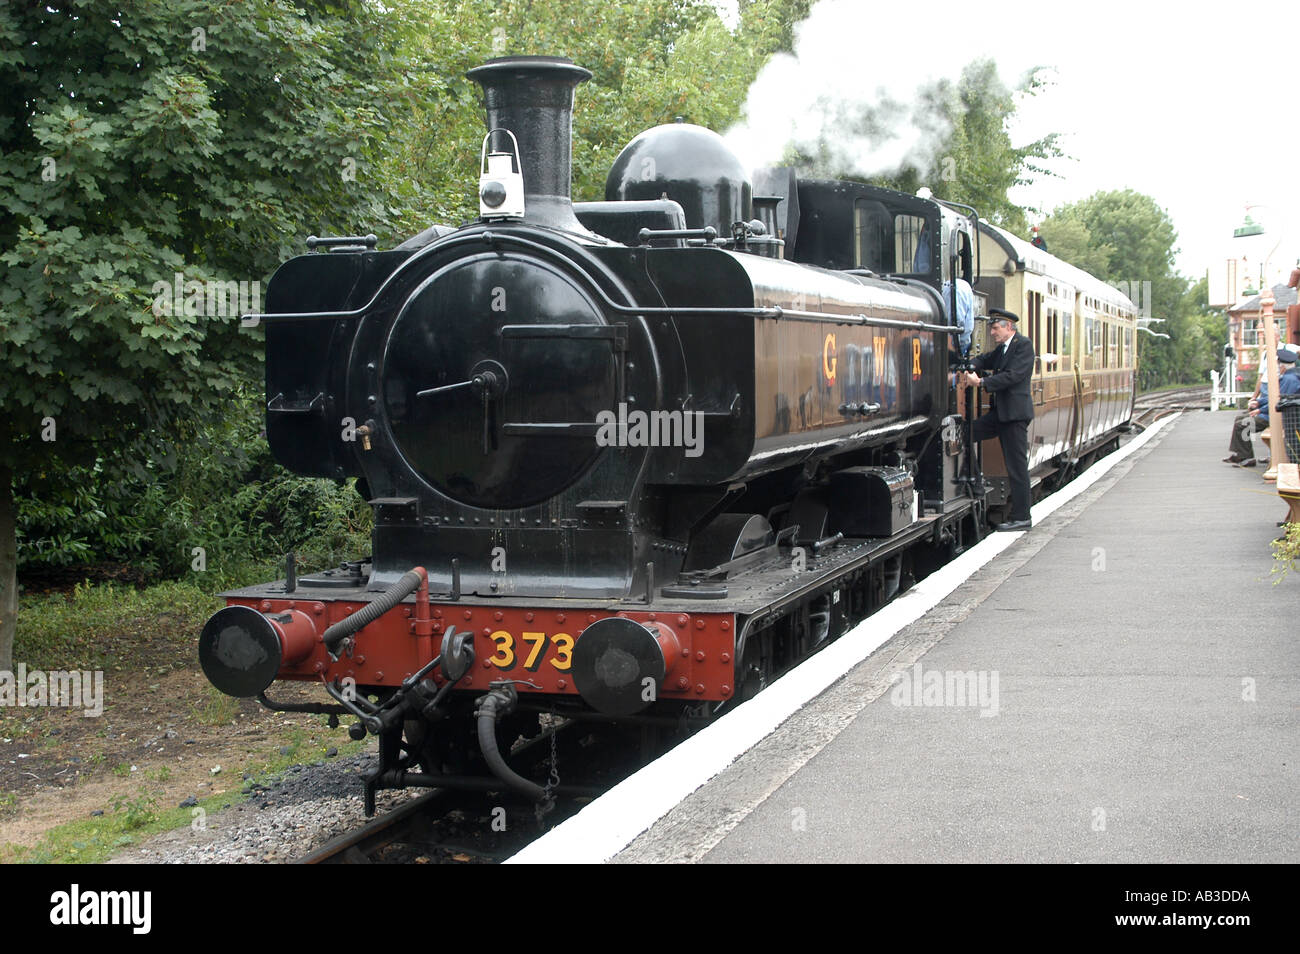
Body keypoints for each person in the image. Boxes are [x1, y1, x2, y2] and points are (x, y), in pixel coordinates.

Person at [962, 308, 1035, 531]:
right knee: (965, 433)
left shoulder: (1023, 346)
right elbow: (984, 359)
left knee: (1016, 467)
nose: (992, 333)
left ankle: (1022, 517)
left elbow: (1013, 376)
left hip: (1014, 416)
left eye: (995, 328)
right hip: (1000, 415)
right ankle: (974, 482)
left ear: (1008, 327)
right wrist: (971, 366)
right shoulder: (1002, 349)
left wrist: (981, 383)